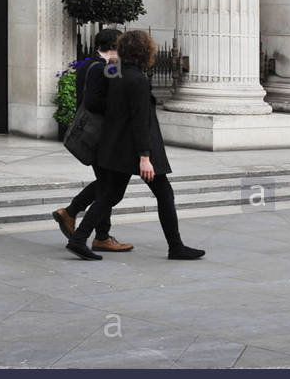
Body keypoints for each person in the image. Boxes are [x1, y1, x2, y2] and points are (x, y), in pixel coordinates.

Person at [65, 30, 204, 262]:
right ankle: (176, 246)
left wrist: (112, 63)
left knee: (109, 195)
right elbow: (140, 120)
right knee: (163, 194)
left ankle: (78, 239)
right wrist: (144, 157)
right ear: (145, 52)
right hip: (137, 147)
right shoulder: (138, 80)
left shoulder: (117, 75)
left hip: (116, 145)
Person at [51, 28, 133, 252]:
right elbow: (93, 102)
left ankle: (99, 234)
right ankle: (74, 215)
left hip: (91, 135)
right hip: (100, 136)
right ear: (114, 46)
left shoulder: (87, 64)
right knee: (108, 187)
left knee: (105, 185)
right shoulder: (103, 68)